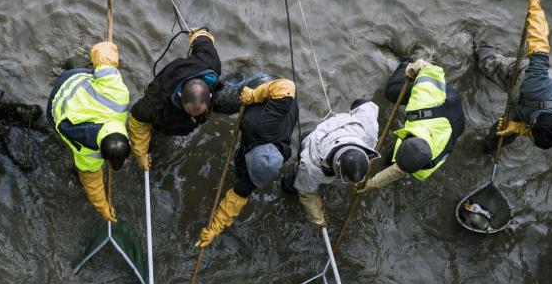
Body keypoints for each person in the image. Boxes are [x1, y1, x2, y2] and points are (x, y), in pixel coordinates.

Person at [194, 75, 298, 247]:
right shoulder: (255, 123)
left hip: (272, 129)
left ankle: (242, 165)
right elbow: (287, 86)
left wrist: (214, 228)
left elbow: (239, 195)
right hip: (263, 85)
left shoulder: (281, 156)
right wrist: (254, 95)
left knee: (241, 173)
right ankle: (236, 76)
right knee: (217, 103)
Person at [475, 0, 552, 150]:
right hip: (522, 78)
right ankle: (478, 44)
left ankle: (487, 148)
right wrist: (534, 5)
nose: (529, 136)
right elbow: (539, 42)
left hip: (524, 111)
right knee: (487, 63)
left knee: (501, 134)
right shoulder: (537, 82)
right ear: (534, 123)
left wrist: (517, 128)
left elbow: (531, 131)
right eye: (530, 135)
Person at [128, 28, 237, 170]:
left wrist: (197, 34)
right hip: (163, 119)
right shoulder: (155, 100)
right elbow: (137, 121)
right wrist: (141, 153)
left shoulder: (211, 64)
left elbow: (204, 42)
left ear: (210, 96)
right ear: (180, 96)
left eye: (197, 113)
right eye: (189, 111)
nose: (192, 116)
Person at [48, 41, 130, 221]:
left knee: (88, 70)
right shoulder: (87, 153)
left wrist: (110, 50)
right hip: (56, 109)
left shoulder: (119, 97)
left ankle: (69, 64)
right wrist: (103, 208)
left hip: (73, 83)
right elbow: (92, 184)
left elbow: (101, 51)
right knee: (81, 172)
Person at [358, 58, 466, 193]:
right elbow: (429, 70)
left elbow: (400, 170)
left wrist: (374, 183)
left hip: (455, 120)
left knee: (392, 158)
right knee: (392, 92)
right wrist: (414, 68)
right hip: (442, 100)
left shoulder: (427, 166)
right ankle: (405, 60)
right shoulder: (422, 100)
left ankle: (390, 158)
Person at [284, 99, 380, 227]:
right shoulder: (311, 166)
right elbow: (306, 193)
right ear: (338, 166)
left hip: (334, 134)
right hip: (314, 141)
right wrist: (318, 219)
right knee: (293, 185)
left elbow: (365, 104)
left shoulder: (368, 131)